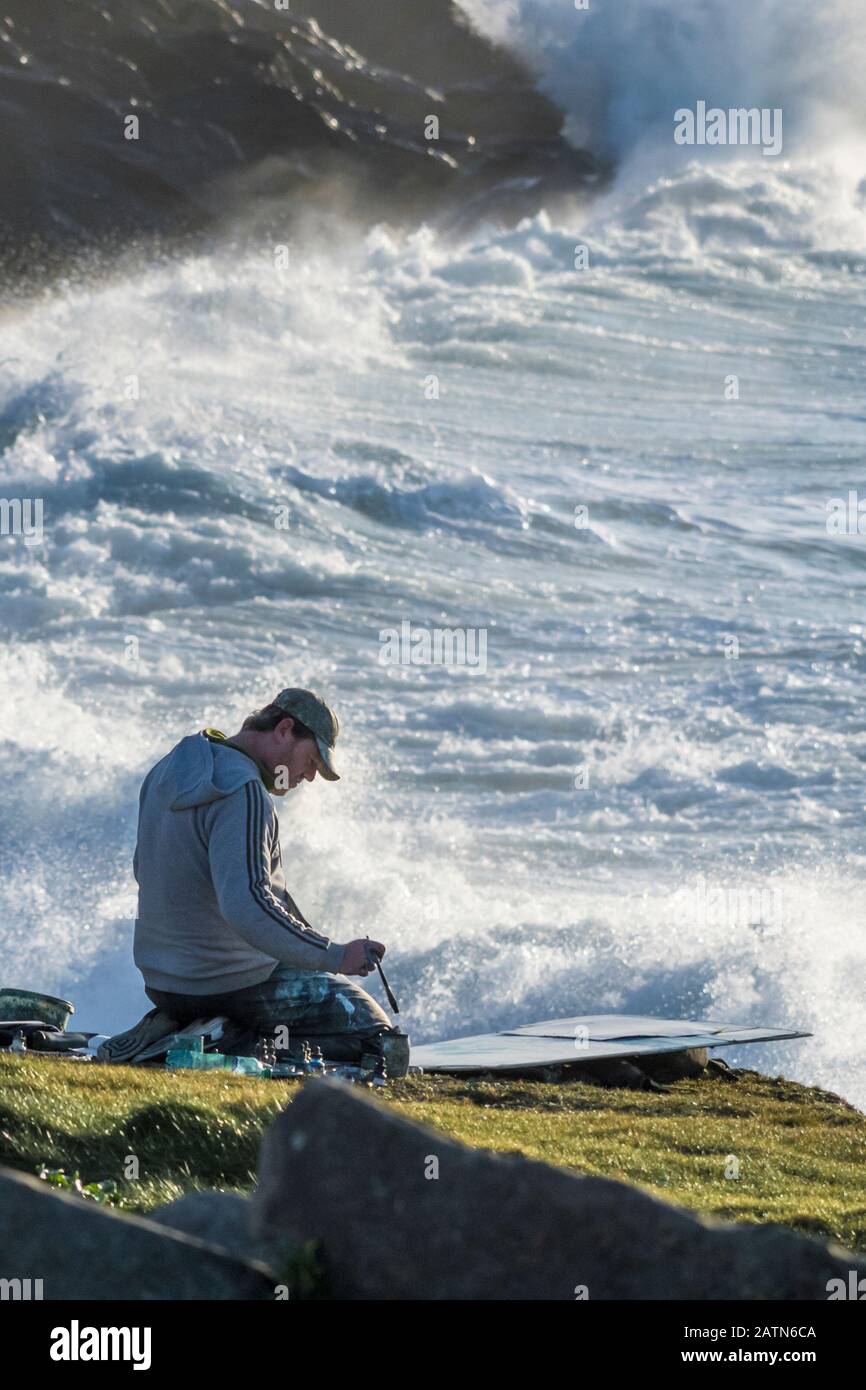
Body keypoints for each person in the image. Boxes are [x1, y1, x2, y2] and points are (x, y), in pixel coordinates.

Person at [99, 687, 409, 1074]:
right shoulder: (242, 791)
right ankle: (219, 1037)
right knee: (376, 1038)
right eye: (311, 760)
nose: (310, 776)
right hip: (232, 986)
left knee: (311, 991)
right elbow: (247, 905)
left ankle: (188, 1025)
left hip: (165, 985)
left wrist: (310, 946)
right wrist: (335, 955)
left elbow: (142, 868)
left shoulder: (168, 771)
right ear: (283, 730)